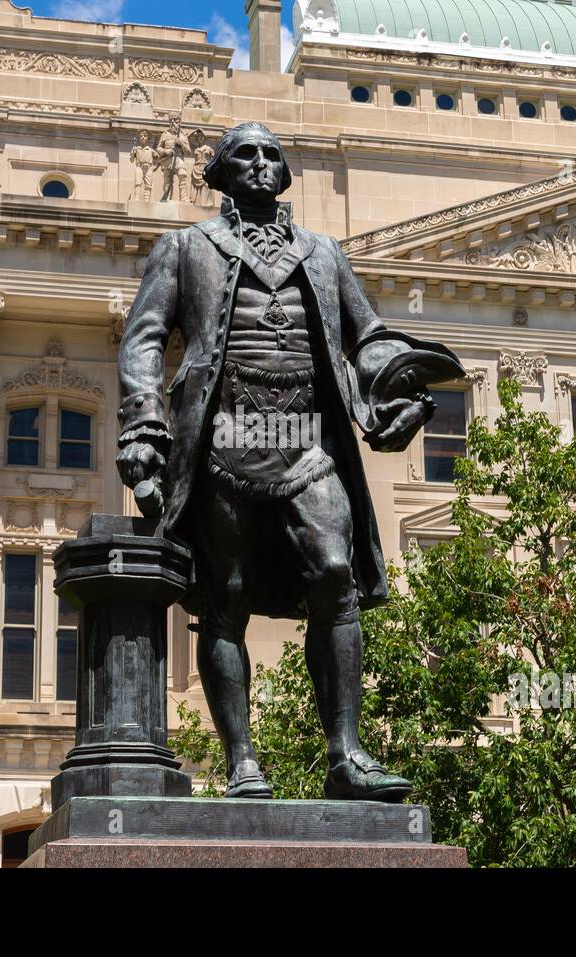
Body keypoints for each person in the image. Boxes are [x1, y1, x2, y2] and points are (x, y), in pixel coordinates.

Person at [116, 122, 464, 800]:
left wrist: (397, 387)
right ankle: (242, 758)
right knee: (227, 597)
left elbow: (368, 340)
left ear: (285, 174)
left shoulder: (324, 254)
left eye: (272, 154)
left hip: (310, 438)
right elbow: (143, 342)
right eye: (244, 153)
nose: (260, 163)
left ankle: (347, 752)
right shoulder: (185, 249)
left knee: (335, 574)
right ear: (218, 173)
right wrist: (143, 432)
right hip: (223, 438)